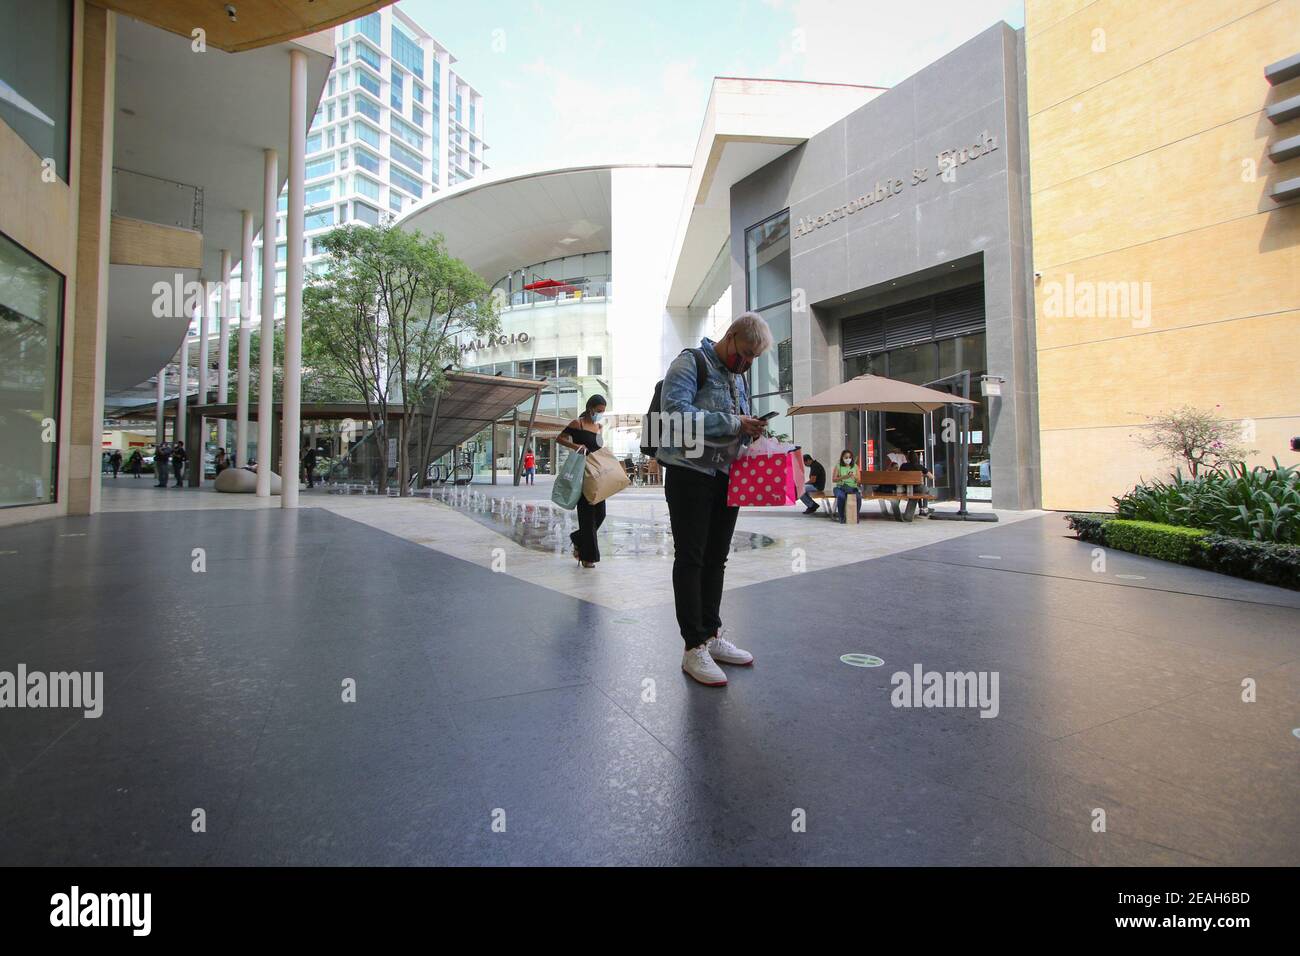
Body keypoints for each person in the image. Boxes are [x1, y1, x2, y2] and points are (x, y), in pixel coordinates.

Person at [657, 313, 771, 687]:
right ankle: (693, 646)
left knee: (716, 558)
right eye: (747, 353)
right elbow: (675, 414)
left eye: (755, 358)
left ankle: (711, 634)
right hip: (689, 473)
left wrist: (750, 430)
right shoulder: (691, 362)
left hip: (727, 474)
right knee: (691, 556)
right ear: (731, 335)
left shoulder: (737, 378)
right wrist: (735, 423)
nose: (748, 363)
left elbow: (738, 422)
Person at [557, 396, 607, 568]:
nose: (600, 414)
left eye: (603, 411)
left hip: (597, 474)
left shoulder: (599, 427)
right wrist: (576, 447)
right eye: (599, 411)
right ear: (590, 408)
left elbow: (600, 449)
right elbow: (560, 438)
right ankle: (588, 557)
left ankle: (577, 538)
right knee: (587, 516)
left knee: (600, 514)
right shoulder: (576, 424)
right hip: (581, 473)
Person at [833, 449, 860, 524]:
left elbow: (859, 481)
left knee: (858, 497)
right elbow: (834, 479)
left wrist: (854, 477)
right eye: (846, 457)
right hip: (840, 487)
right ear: (842, 458)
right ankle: (841, 517)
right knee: (841, 497)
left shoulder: (855, 467)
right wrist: (843, 477)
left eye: (849, 457)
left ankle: (855, 516)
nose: (848, 459)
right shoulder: (838, 466)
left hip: (852, 488)